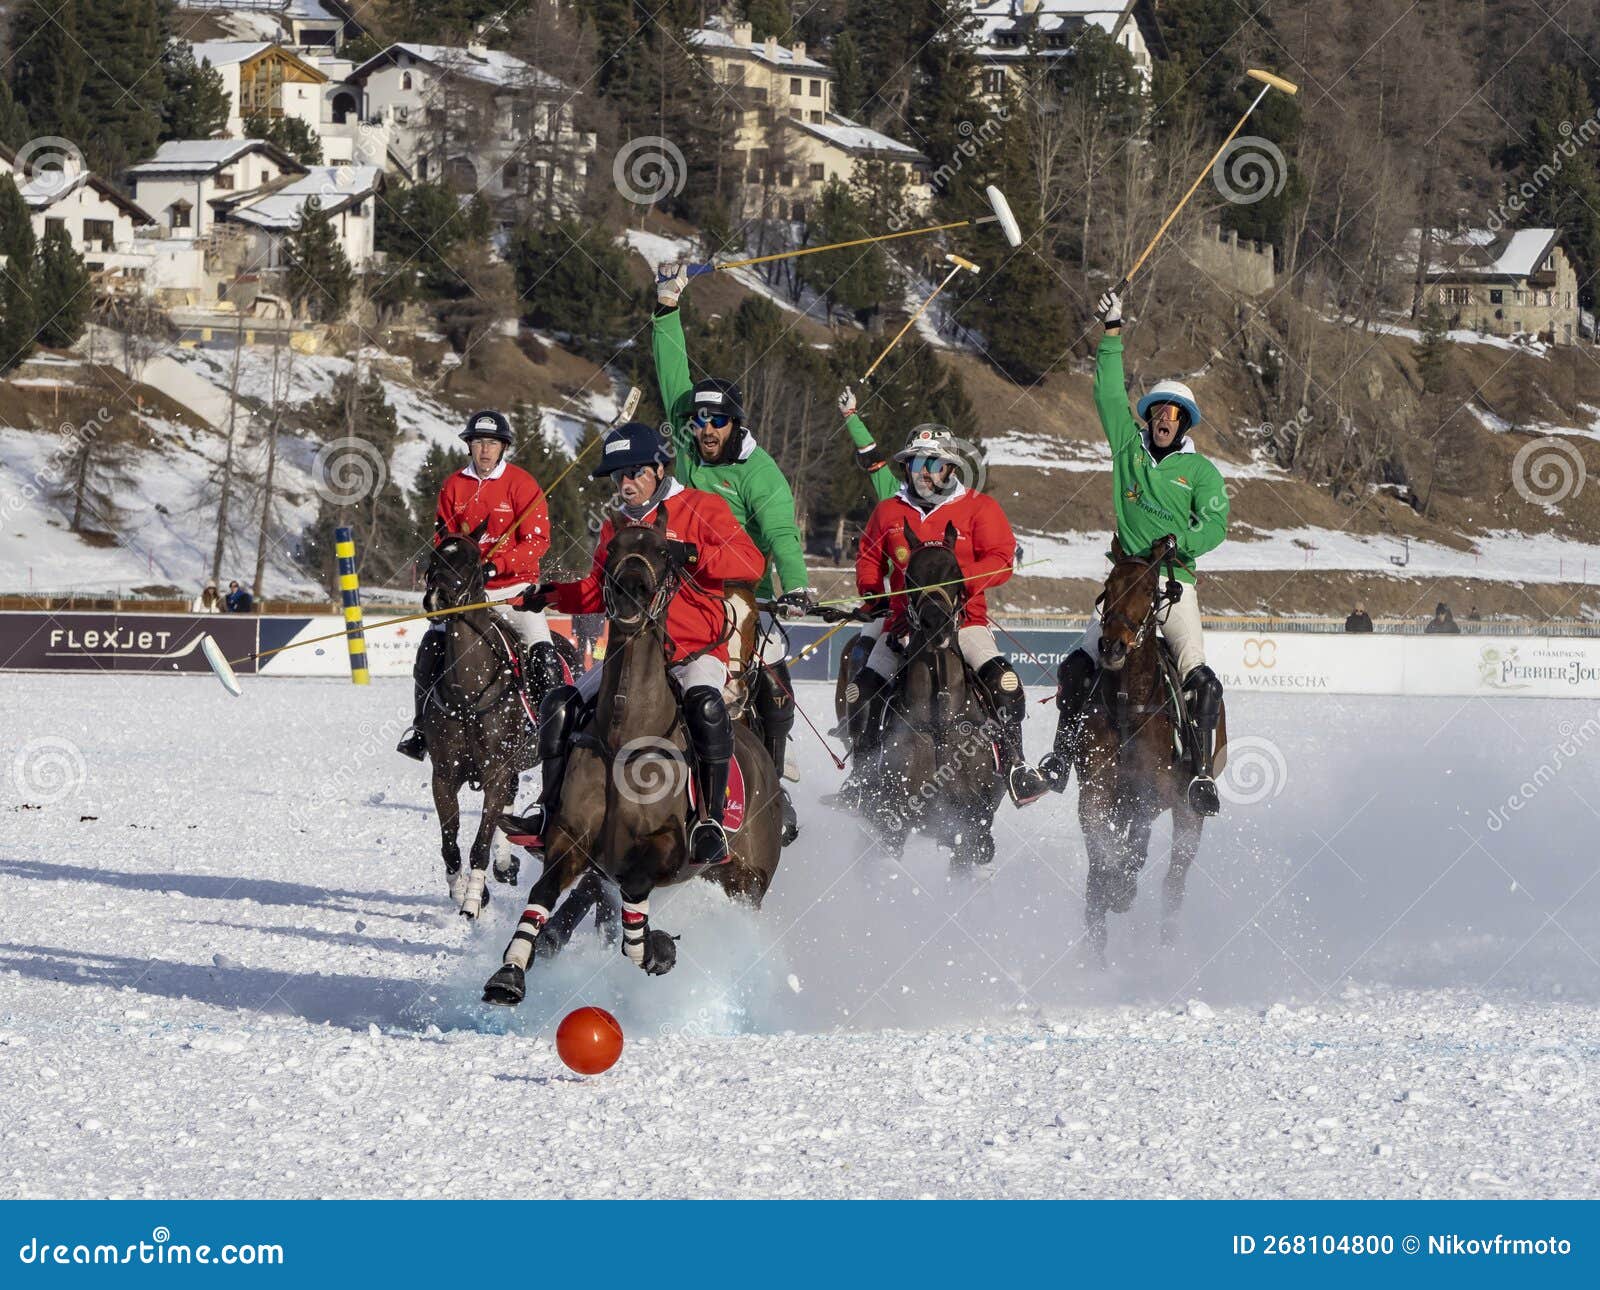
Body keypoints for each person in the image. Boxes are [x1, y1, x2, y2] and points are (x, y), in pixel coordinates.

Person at [514, 422, 764, 867]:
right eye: (617, 476)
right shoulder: (615, 528)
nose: (625, 484)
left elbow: (750, 561)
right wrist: (551, 593)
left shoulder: (702, 506)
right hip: (627, 657)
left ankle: (710, 820)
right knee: (558, 706)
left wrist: (689, 552)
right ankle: (550, 811)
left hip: (694, 652)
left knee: (705, 705)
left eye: (633, 473)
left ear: (658, 468)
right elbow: (595, 593)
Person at [1040, 289, 1230, 816]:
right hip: (1124, 582)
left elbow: (1216, 525)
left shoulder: (1201, 472)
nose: (1165, 418)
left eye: (1174, 413)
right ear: (1148, 418)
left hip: (1174, 586)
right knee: (1078, 666)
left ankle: (1197, 777)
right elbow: (1105, 395)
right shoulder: (1128, 447)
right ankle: (1059, 757)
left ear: (1185, 423)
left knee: (1199, 677)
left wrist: (1182, 543)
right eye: (1158, 411)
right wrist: (1112, 334)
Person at [652, 260, 816, 843]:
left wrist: (792, 584)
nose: (705, 429)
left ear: (735, 423)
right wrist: (668, 308)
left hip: (737, 593)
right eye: (699, 420)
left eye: (717, 420)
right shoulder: (688, 441)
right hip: (672, 588)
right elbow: (672, 373)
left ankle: (772, 787)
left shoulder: (759, 473)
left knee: (771, 685)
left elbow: (779, 537)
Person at [844, 418, 1046, 807]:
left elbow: (1002, 560)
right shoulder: (889, 512)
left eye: (934, 464)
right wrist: (874, 597)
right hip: (904, 624)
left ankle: (1016, 766)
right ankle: (862, 776)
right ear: (906, 468)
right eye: (917, 464)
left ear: (951, 468)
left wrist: (956, 580)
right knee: (863, 690)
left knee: (1006, 684)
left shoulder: (978, 508)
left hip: (964, 623)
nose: (925, 473)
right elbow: (869, 560)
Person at [396, 409, 553, 761]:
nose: (485, 450)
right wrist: (443, 576)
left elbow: (537, 542)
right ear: (469, 446)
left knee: (541, 649)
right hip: (466, 593)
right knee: (430, 648)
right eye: (479, 442)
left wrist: (497, 567)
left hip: (514, 590)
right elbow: (444, 541)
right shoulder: (454, 485)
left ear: (503, 448)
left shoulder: (523, 484)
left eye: (493, 443)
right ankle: (421, 728)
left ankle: (549, 727)